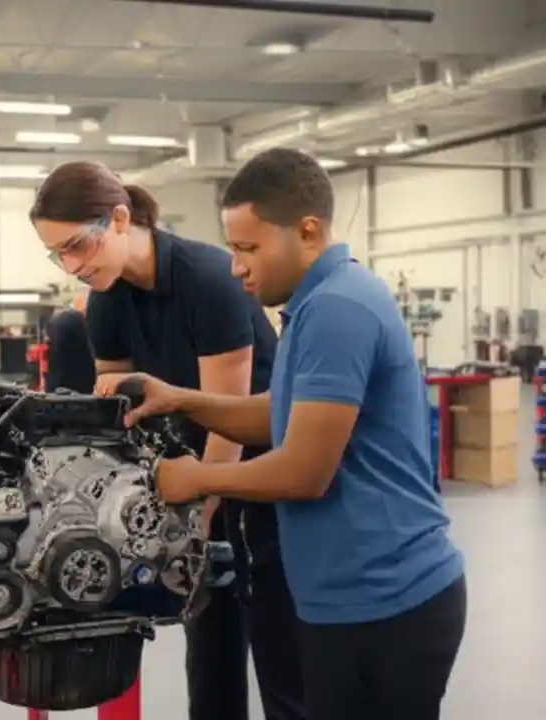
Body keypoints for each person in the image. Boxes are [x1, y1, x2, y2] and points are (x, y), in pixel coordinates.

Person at [116, 148, 467, 720]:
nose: (237, 267)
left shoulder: (338, 310)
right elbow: (284, 415)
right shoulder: (316, 304)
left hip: (385, 604)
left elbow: (304, 471)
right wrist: (182, 399)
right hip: (348, 599)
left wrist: (198, 479)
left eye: (248, 248)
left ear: (306, 232)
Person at [28, 161, 306, 720]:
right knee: (210, 647)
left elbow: (226, 421)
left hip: (256, 469)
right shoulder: (108, 299)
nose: (73, 266)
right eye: (58, 254)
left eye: (79, 246)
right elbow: (120, 414)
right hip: (188, 470)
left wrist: (192, 523)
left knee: (279, 651)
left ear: (121, 219)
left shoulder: (208, 279)